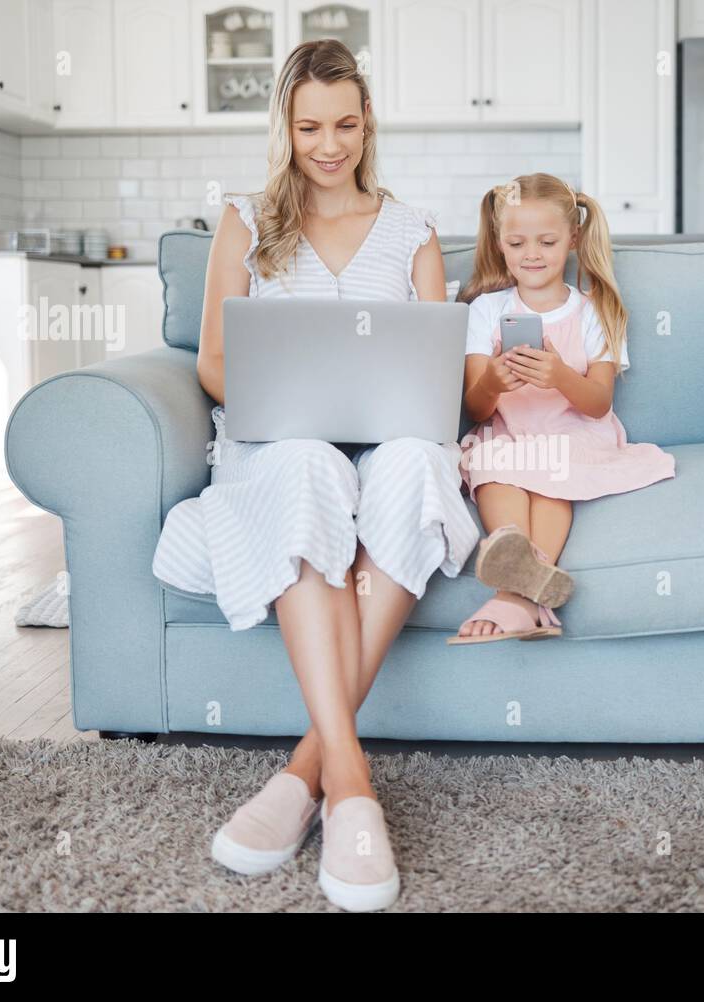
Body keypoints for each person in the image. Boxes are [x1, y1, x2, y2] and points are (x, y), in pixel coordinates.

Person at [151, 39, 479, 912]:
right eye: (309, 127)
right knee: (304, 465)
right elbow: (215, 361)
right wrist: (286, 405)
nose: (328, 144)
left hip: (388, 440)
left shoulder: (412, 230)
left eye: (344, 123)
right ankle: (354, 784)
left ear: (367, 121)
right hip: (281, 439)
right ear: (284, 129)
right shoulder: (246, 221)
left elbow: (436, 368)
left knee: (413, 464)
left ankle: (304, 773)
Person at [450, 173, 676, 644]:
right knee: (494, 464)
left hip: (573, 435)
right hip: (509, 431)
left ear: (573, 239)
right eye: (516, 242)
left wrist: (560, 376)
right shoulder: (486, 310)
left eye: (547, 241)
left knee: (554, 475)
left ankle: (515, 594)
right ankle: (522, 569)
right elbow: (475, 406)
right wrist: (492, 379)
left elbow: (598, 403)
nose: (532, 254)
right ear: (499, 243)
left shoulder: (596, 311)